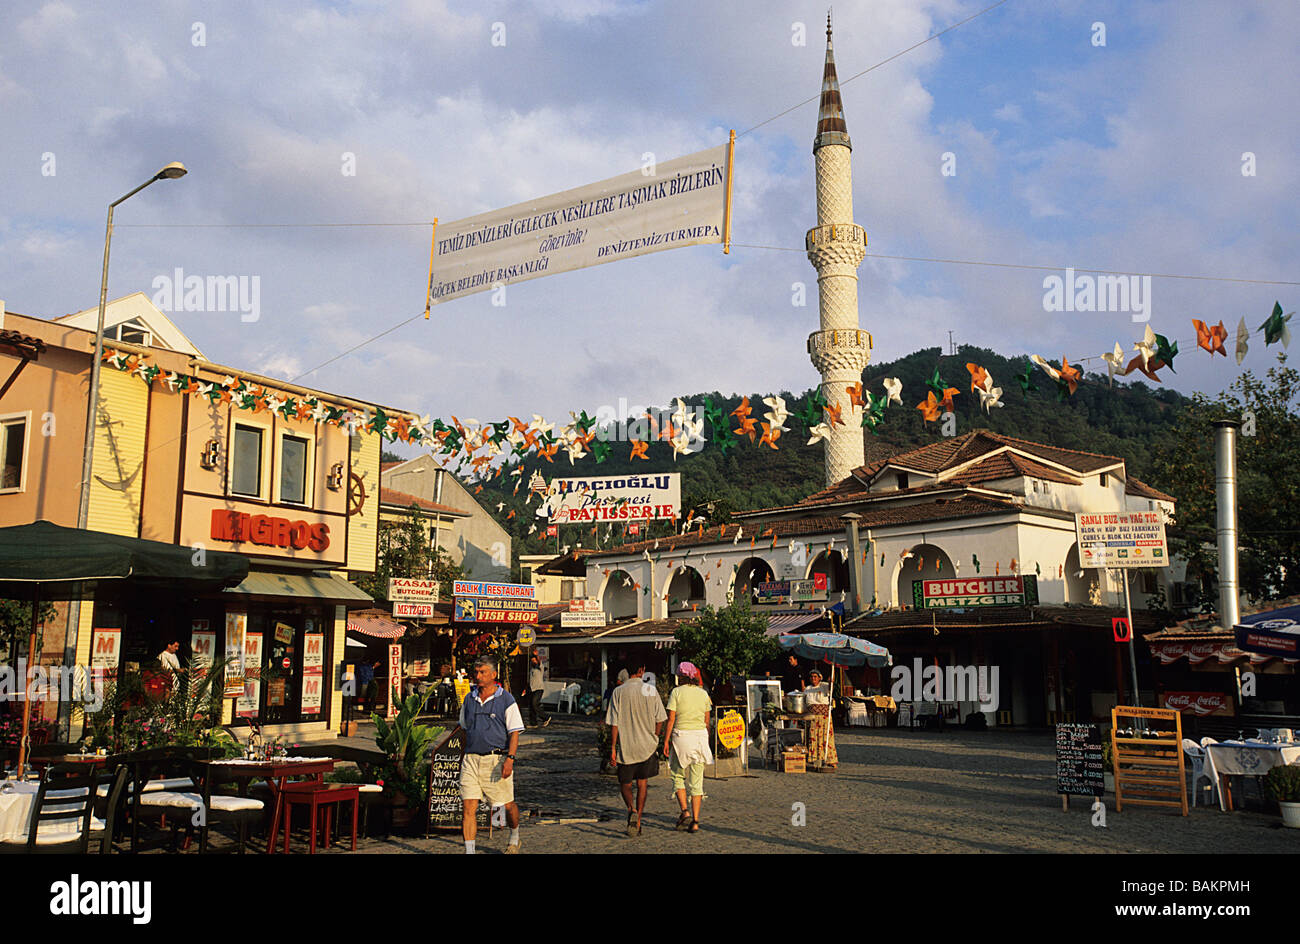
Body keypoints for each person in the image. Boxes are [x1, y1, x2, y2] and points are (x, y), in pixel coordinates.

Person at [457, 656, 525, 854]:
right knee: (468, 807)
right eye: (476, 672)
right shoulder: (469, 699)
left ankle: (515, 835)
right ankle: (469, 851)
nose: (478, 676)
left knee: (507, 804)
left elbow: (514, 733)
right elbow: (463, 728)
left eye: (482, 672)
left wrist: (510, 759)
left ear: (494, 675)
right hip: (471, 760)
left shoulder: (506, 699)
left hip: (496, 760)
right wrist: (463, 756)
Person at [605, 660, 666, 837]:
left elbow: (614, 723)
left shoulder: (618, 691)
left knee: (625, 784)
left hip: (627, 746)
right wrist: (655, 736)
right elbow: (660, 718)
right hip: (647, 745)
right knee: (642, 783)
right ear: (642, 670)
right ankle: (638, 819)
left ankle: (630, 808)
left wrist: (613, 748)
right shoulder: (650, 690)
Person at [661, 661, 712, 833]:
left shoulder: (676, 692)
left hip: (681, 738)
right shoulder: (704, 694)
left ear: (680, 676)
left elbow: (671, 719)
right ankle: (696, 821)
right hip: (699, 738)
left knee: (677, 775)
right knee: (697, 782)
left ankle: (685, 811)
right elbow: (707, 722)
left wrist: (666, 741)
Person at [803, 668, 838, 769]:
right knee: (814, 737)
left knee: (826, 738)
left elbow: (831, 686)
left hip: (824, 717)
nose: (813, 678)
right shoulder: (808, 688)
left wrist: (832, 678)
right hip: (813, 717)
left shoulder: (824, 686)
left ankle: (830, 759)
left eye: (815, 677)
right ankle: (814, 758)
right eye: (812, 677)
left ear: (819, 678)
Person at [523, 650, 550, 728]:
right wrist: (526, 688)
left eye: (534, 660)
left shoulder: (540, 668)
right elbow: (530, 681)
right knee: (531, 706)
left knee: (534, 704)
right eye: (532, 661)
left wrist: (537, 655)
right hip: (531, 689)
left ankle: (545, 717)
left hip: (538, 689)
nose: (533, 662)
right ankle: (533, 723)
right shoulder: (531, 670)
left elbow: (539, 661)